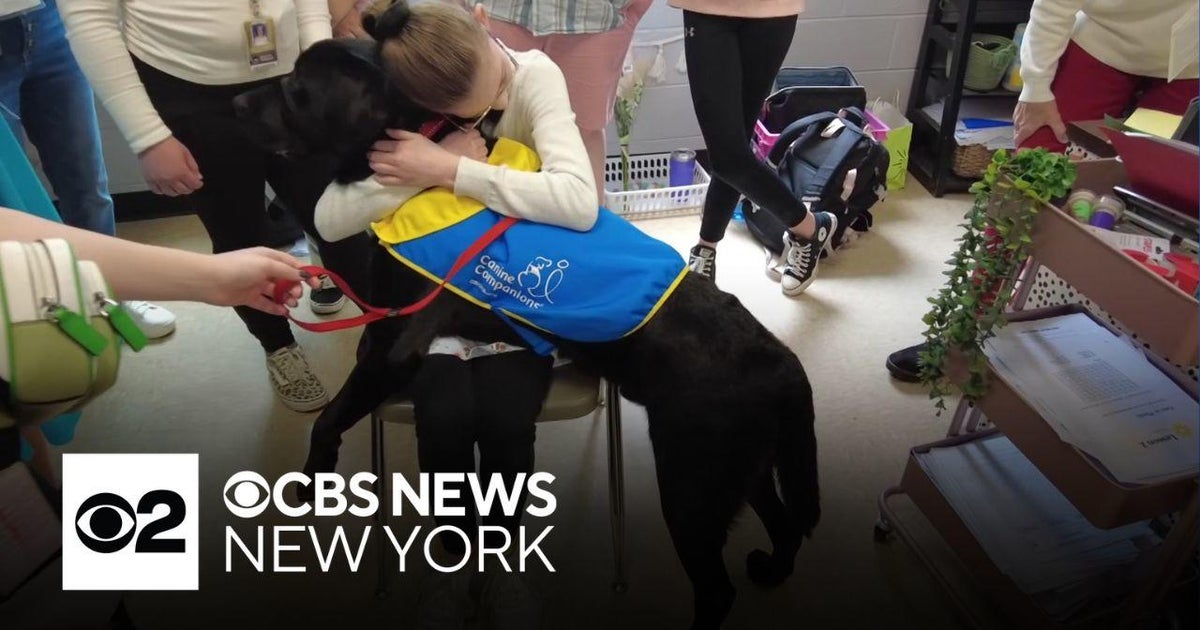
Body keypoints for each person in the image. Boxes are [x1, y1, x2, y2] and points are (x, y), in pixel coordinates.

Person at [314, 0, 594, 575]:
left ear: (483, 21)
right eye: (469, 108)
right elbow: (329, 218)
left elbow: (579, 202)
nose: (493, 105)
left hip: (516, 300)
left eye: (492, 88)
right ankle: (451, 556)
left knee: (505, 420)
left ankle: (506, 559)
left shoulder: (534, 74)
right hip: (433, 309)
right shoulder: (413, 95)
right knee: (440, 419)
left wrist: (449, 171)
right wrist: (432, 157)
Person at [58, 0, 375, 411]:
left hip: (292, 75)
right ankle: (278, 346)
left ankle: (386, 323)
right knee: (238, 235)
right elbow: (89, 19)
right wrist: (149, 137)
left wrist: (320, 76)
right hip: (187, 90)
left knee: (342, 219)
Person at [886, 0, 1200, 383]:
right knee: (1027, 184)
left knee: (1161, 205)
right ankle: (964, 332)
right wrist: (1035, 89)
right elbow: (1053, 5)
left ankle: (1132, 358)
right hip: (1102, 43)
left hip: (1190, 63)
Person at [0, 0, 177, 339]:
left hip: (50, 20)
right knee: (12, 199)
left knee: (85, 182)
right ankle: (28, 320)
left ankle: (108, 294)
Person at [671, 0, 837, 296]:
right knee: (728, 154)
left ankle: (706, 246)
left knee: (736, 141)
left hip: (774, 10)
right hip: (706, 8)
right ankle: (811, 227)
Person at [481, 0, 654, 201]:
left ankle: (589, 227)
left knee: (584, 131)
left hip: (593, 16)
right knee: (496, 127)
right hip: (500, 8)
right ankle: (494, 228)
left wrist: (632, 13)